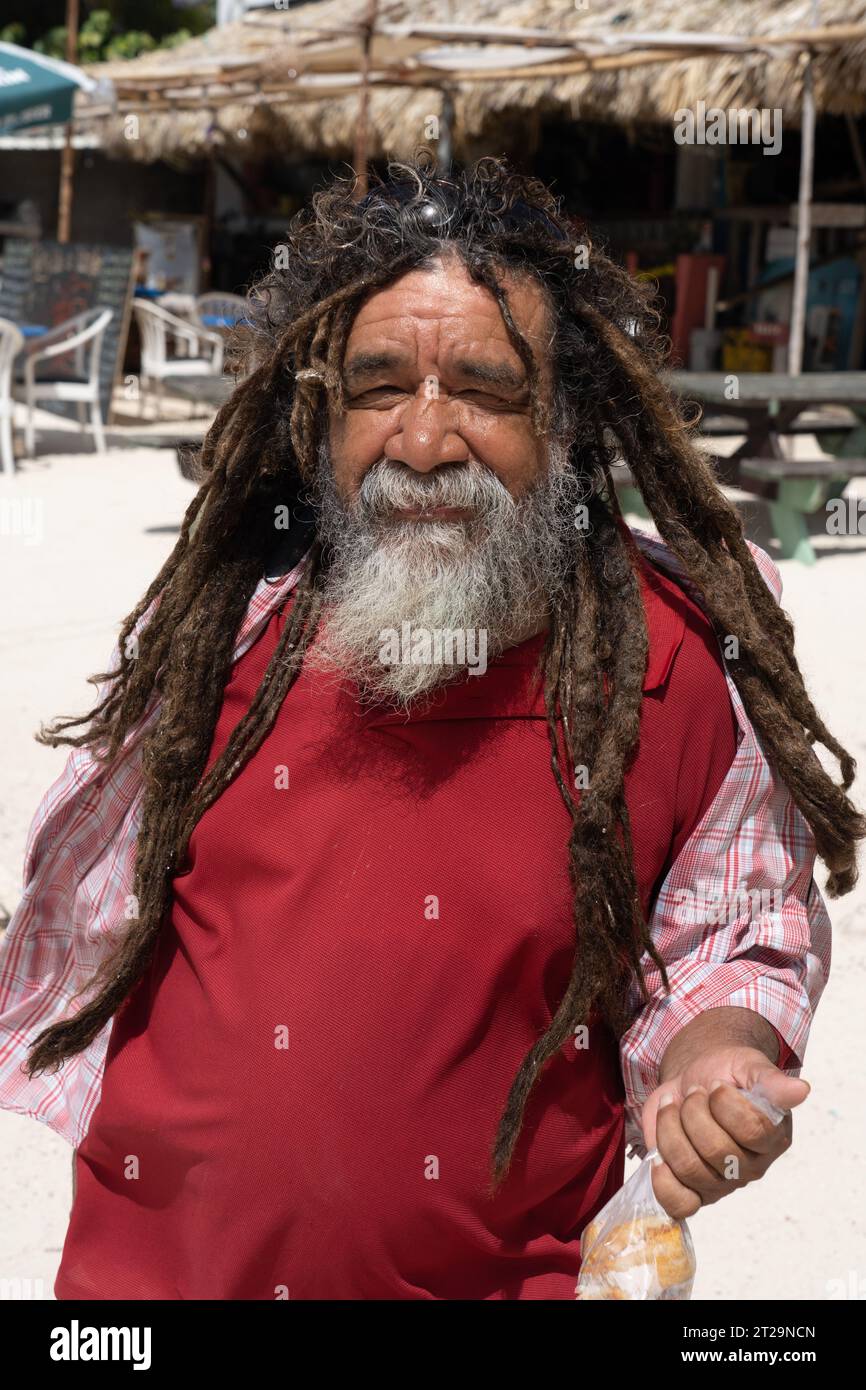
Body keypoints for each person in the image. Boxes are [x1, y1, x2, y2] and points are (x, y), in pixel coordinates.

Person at [1, 159, 862, 1301]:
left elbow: (729, 937)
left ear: (568, 422)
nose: (421, 443)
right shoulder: (221, 630)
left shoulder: (674, 670)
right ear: (324, 414)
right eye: (377, 388)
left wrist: (716, 1060)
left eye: (485, 390)